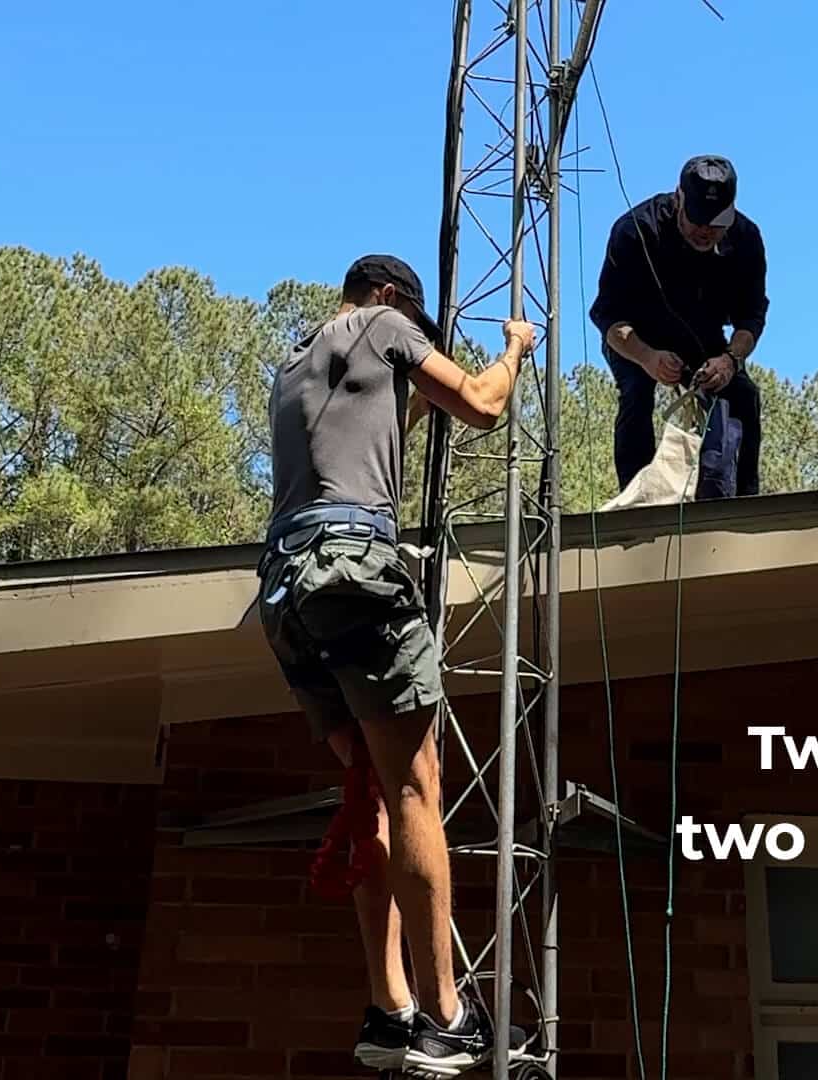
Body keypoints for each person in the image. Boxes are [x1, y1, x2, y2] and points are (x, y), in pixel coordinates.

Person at [258, 254, 535, 1076]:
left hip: (286, 587)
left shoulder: (297, 363)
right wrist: (514, 348)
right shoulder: (384, 326)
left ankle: (389, 1010)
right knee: (418, 785)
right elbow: (482, 406)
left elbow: (380, 432)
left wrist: (417, 396)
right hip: (353, 567)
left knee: (371, 794)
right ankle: (447, 1018)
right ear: (387, 299)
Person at [590, 154, 770, 498]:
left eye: (717, 223)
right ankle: (635, 498)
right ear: (678, 199)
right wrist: (646, 356)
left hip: (703, 335)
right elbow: (609, 319)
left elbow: (752, 318)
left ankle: (743, 498)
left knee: (744, 396)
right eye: (697, 220)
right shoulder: (634, 231)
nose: (705, 231)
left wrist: (730, 361)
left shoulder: (746, 239)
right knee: (636, 394)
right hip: (635, 335)